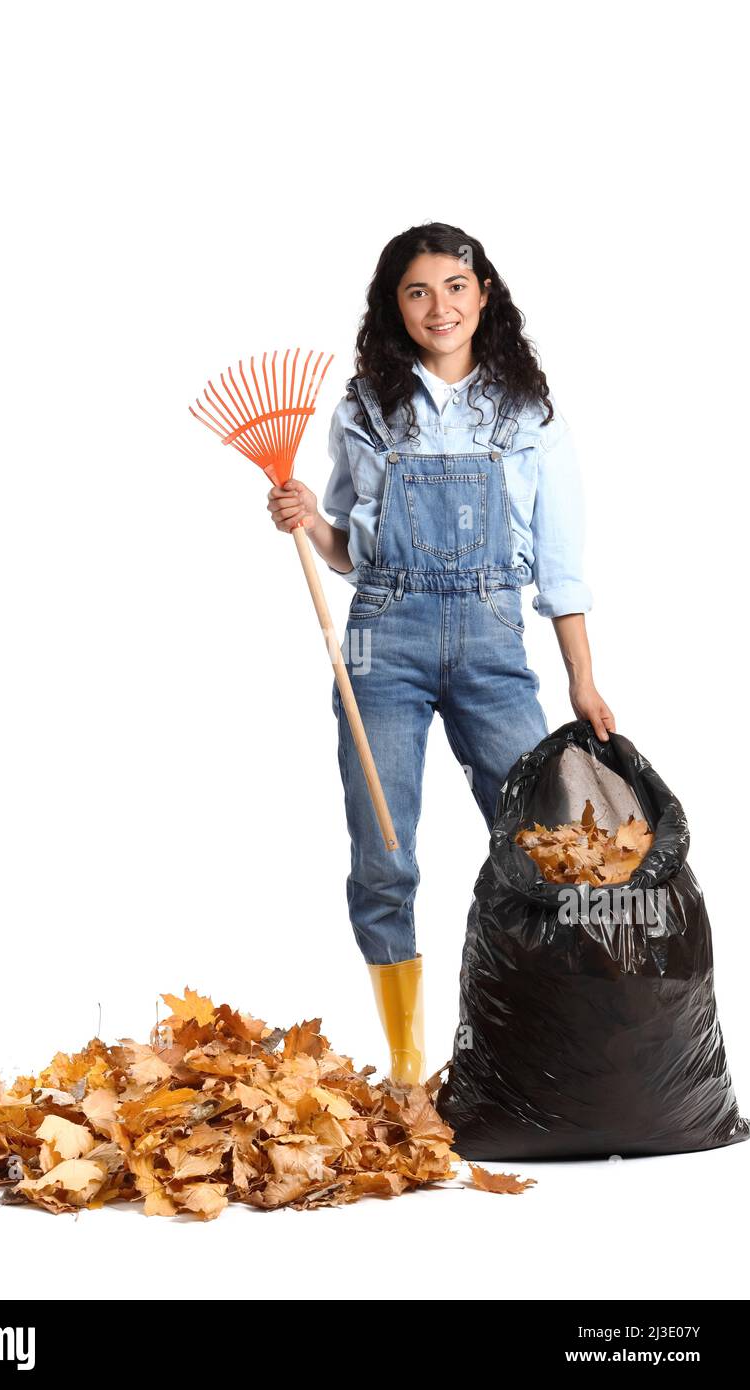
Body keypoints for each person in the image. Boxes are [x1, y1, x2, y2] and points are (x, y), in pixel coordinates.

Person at [267, 222, 615, 1087]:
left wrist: (583, 679)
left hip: (495, 646)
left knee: (546, 841)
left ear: (485, 294)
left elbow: (562, 564)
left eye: (455, 287)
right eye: (418, 291)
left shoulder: (529, 414)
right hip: (386, 641)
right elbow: (350, 551)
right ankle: (408, 1063)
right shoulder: (363, 407)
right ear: (396, 306)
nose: (439, 307)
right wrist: (309, 517)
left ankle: (549, 1040)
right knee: (384, 855)